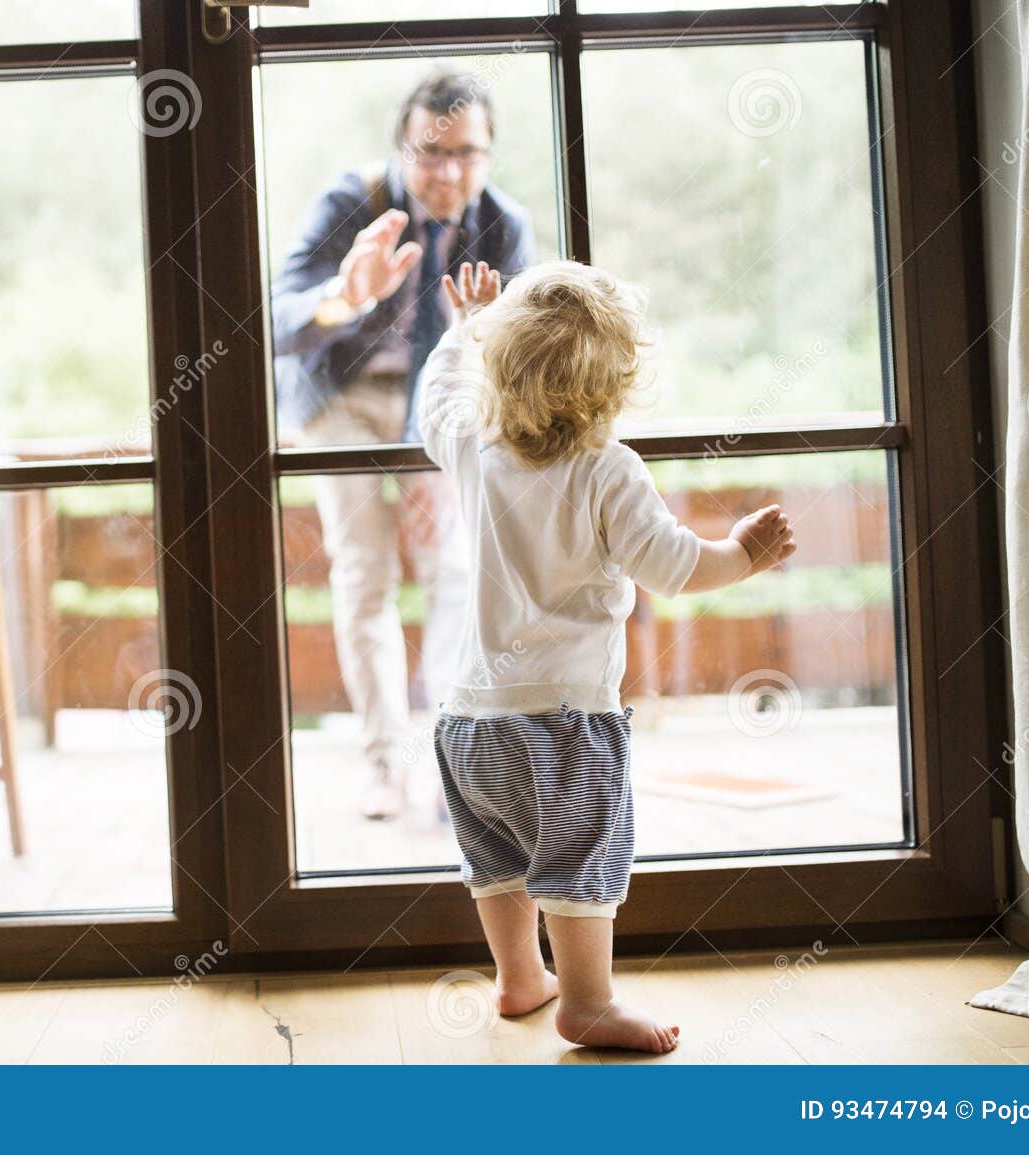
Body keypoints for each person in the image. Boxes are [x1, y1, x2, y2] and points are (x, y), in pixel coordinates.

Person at [419, 259, 797, 1052]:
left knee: (496, 856)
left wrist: (461, 329)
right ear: (612, 382)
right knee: (581, 859)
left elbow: (437, 399)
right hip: (565, 722)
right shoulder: (606, 468)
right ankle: (586, 999)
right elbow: (675, 565)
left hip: (467, 720)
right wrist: (743, 554)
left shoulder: (471, 446)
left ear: (498, 364)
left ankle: (519, 975)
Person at [270, 71, 535, 820]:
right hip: (340, 399)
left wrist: (439, 463)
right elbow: (278, 321)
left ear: (489, 156)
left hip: (438, 407)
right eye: (430, 153)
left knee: (453, 569)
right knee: (366, 574)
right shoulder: (347, 202)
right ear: (400, 147)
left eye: (468, 154)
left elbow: (508, 355)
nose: (448, 172)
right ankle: (386, 764)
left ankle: (454, 761)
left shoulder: (504, 226)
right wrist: (349, 295)